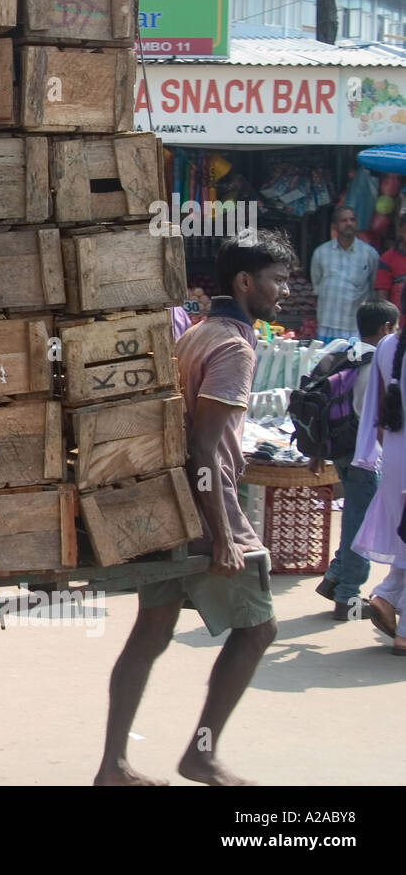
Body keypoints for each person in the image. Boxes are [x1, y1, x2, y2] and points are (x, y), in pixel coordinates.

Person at [96, 231, 295, 786]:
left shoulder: (200, 331)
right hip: (211, 509)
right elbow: (202, 448)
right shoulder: (233, 345)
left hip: (172, 507)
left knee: (150, 634)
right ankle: (200, 755)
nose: (284, 292)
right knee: (258, 631)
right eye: (278, 280)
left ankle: (113, 766)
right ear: (245, 282)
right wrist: (223, 535)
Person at [315, 299, 398, 619]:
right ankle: (348, 596)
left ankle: (335, 577)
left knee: (354, 517)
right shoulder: (377, 362)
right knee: (361, 525)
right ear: (385, 329)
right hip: (365, 457)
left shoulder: (345, 353)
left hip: (340, 450)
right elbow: (376, 416)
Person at [349, 288, 406, 657]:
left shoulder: (386, 346)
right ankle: (403, 634)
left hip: (396, 459)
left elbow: (381, 416)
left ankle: (385, 596)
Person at [310, 206, 379, 341]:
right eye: (344, 220)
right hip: (326, 323)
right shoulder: (321, 252)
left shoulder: (369, 254)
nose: (349, 223)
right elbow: (316, 286)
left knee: (353, 361)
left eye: (352, 220)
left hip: (355, 327)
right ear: (335, 226)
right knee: (325, 361)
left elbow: (374, 288)